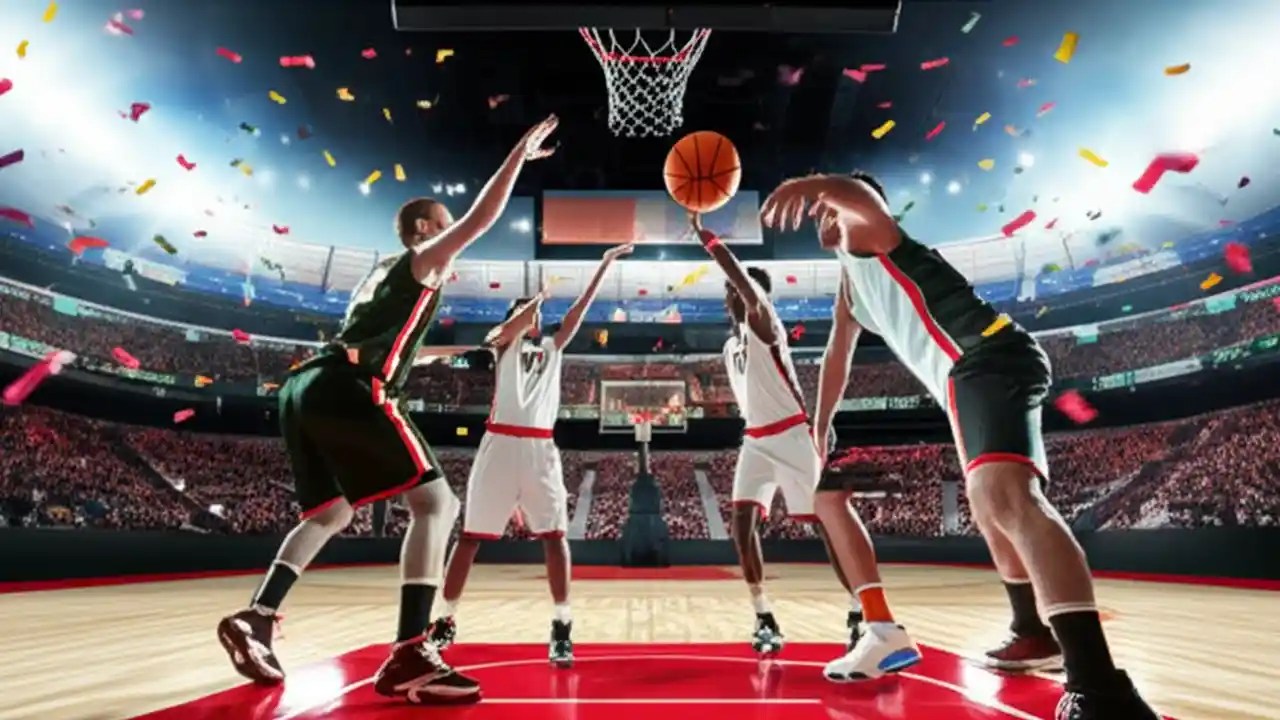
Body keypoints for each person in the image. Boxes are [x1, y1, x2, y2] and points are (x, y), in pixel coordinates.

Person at [761, 170, 1158, 719]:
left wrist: (812, 185)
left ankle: (1100, 685)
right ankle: (1031, 630)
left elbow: (858, 199)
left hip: (986, 356)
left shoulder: (871, 234)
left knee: (1007, 496)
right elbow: (836, 355)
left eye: (830, 208)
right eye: (822, 212)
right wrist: (821, 423)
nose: (825, 219)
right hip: (961, 377)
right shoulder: (852, 283)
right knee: (987, 502)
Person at [215, 115, 560, 705]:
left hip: (307, 386)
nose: (453, 241)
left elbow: (411, 353)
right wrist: (517, 158)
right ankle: (409, 653)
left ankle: (260, 617)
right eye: (442, 229)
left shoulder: (380, 278)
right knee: (436, 501)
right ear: (424, 229)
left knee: (329, 514)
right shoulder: (422, 260)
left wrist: (496, 339)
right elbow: (482, 219)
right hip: (350, 386)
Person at [691, 212, 919, 672]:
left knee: (825, 527)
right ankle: (764, 617)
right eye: (728, 293)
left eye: (738, 290)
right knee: (741, 528)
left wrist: (711, 242)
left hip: (793, 435)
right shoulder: (728, 346)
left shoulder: (766, 325)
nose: (732, 296)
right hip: (755, 441)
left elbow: (747, 288)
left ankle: (860, 612)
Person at [427, 242, 635, 667]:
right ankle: (445, 619)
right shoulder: (500, 344)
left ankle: (561, 625)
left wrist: (604, 265)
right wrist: (535, 300)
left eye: (536, 313)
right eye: (527, 313)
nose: (535, 317)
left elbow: (577, 312)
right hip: (499, 444)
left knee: (555, 537)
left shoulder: (553, 346)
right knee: (469, 538)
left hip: (540, 446)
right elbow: (510, 328)